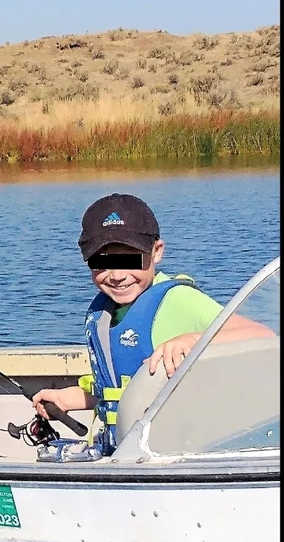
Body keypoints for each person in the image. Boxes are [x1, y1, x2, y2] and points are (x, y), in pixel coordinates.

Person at [32, 192, 274, 455]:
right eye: (101, 263)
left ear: (157, 252)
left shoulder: (178, 300)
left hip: (170, 454)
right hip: (120, 451)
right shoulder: (104, 312)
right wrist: (70, 399)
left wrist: (194, 340)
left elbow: (263, 335)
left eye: (129, 259)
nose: (116, 275)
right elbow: (120, 392)